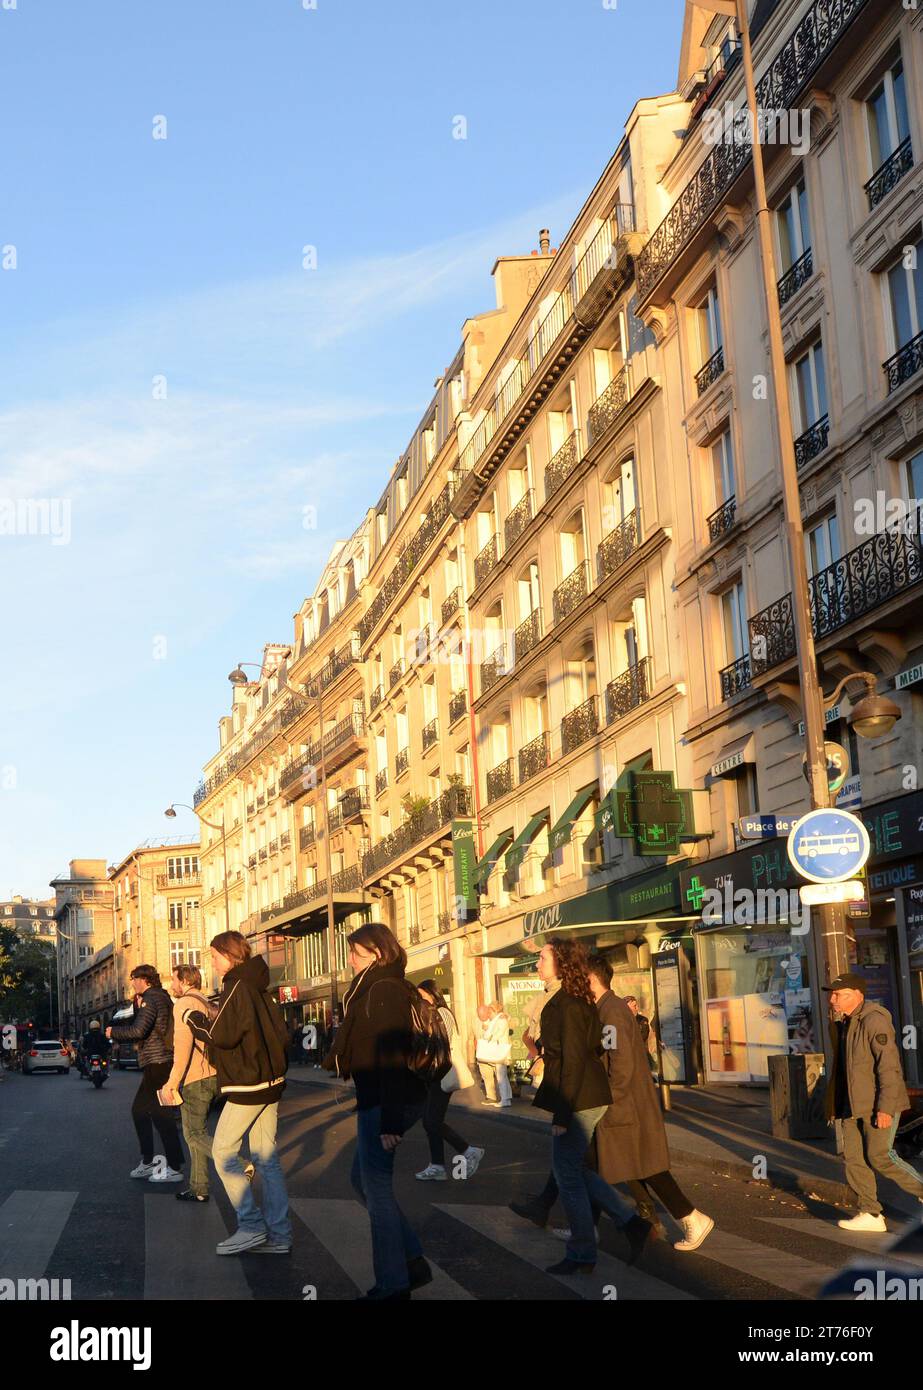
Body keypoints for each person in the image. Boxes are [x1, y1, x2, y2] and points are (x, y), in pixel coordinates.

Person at [530, 937, 652, 1274]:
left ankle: (583, 1251)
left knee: (566, 1174)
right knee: (576, 1169)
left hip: (579, 1097)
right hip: (584, 1093)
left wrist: (563, 1112)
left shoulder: (568, 1003)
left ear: (561, 963)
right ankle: (630, 1222)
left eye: (542, 958)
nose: (536, 965)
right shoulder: (568, 999)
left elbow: (574, 1060)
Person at [324, 922, 431, 1300]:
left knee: (377, 1190)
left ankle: (393, 1283)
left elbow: (391, 1057)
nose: (350, 960)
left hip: (383, 1103)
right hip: (375, 1099)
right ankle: (412, 1260)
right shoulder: (373, 988)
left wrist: (390, 1121)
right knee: (362, 1179)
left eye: (356, 952)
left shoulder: (383, 989)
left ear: (378, 954)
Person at [587, 955, 714, 1252]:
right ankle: (586, 1228)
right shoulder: (607, 1008)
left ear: (591, 978)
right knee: (611, 1164)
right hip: (625, 1103)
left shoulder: (611, 1011)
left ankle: (690, 1216)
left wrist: (609, 1098)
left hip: (625, 1104)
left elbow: (620, 1063)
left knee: (641, 1165)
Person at [184, 931, 292, 1255]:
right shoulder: (258, 985)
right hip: (270, 1081)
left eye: (215, 957)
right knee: (266, 1160)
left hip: (250, 1084)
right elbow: (277, 1033)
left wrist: (194, 1020)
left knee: (223, 1152)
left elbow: (223, 1035)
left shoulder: (236, 984)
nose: (213, 964)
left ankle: (251, 1226)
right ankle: (279, 1235)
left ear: (229, 956)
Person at [823, 972, 923, 1231]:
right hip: (849, 1104)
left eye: (839, 994)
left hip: (876, 1104)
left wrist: (886, 1108)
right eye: (832, 994)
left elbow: (889, 1068)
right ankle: (871, 1213)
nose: (833, 999)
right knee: (854, 1159)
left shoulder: (874, 1020)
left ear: (857, 995)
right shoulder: (843, 1022)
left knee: (880, 1157)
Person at [107, 965, 185, 1183]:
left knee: (159, 1114)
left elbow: (139, 1030)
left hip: (158, 1061)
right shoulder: (159, 997)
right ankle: (151, 1161)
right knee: (143, 1111)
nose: (131, 983)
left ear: (144, 979)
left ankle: (173, 1166)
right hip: (157, 1061)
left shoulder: (152, 998)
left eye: (133, 979)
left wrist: (114, 1032)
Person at [159, 964, 220, 1204]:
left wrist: (171, 1083)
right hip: (212, 1075)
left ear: (184, 981)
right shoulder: (206, 1002)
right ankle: (199, 1187)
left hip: (195, 1078)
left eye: (173, 980)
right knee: (197, 1134)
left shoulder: (183, 1004)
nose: (171, 985)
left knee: (194, 1134)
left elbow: (182, 1050)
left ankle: (237, 1162)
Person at [414, 979, 484, 1182]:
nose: (420, 1000)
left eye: (422, 995)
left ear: (431, 994)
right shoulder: (439, 1013)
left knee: (431, 1121)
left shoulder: (440, 1014)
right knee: (431, 1121)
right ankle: (438, 1165)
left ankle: (467, 1150)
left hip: (441, 1072)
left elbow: (440, 1044)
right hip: (438, 1072)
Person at [475, 1002, 512, 1107]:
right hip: (499, 1051)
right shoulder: (498, 1020)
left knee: (501, 1076)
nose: (488, 1013)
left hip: (500, 1051)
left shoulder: (501, 1020)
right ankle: (506, 1099)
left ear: (495, 1010)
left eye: (490, 1011)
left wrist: (488, 1034)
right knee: (502, 1076)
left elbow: (497, 1035)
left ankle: (505, 1100)